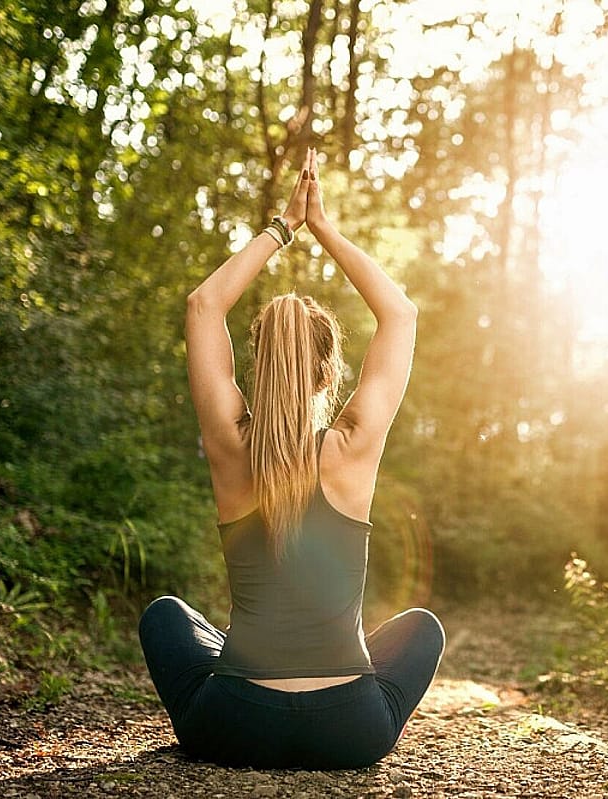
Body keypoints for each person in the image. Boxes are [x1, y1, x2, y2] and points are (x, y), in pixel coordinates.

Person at [138, 148, 444, 770]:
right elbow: (401, 315)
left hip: (233, 727)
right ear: (330, 371)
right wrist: (325, 230)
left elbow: (202, 306)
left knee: (166, 616)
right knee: (422, 627)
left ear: (255, 367)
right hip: (350, 731)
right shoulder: (352, 445)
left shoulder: (231, 445)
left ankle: (243, 674)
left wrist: (281, 228)